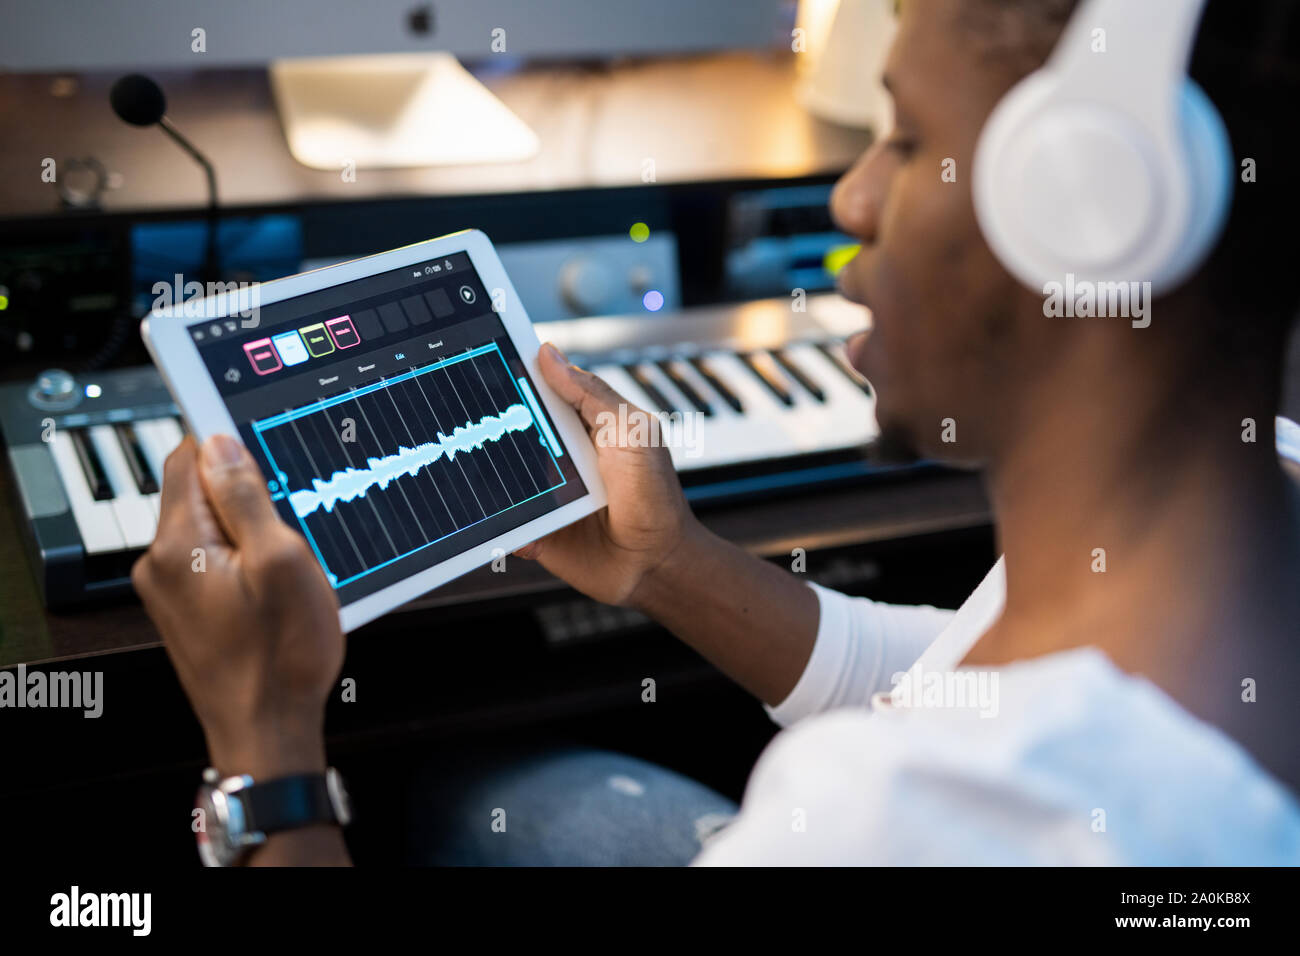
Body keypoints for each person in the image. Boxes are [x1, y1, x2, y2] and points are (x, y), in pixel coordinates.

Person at [133, 0, 1300, 865]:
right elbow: (951, 678)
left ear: (1090, 211)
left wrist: (268, 743)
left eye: (905, 139)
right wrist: (670, 564)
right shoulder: (1247, 511)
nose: (848, 200)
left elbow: (942, 765)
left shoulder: (903, 821)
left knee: (442, 797)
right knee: (515, 797)